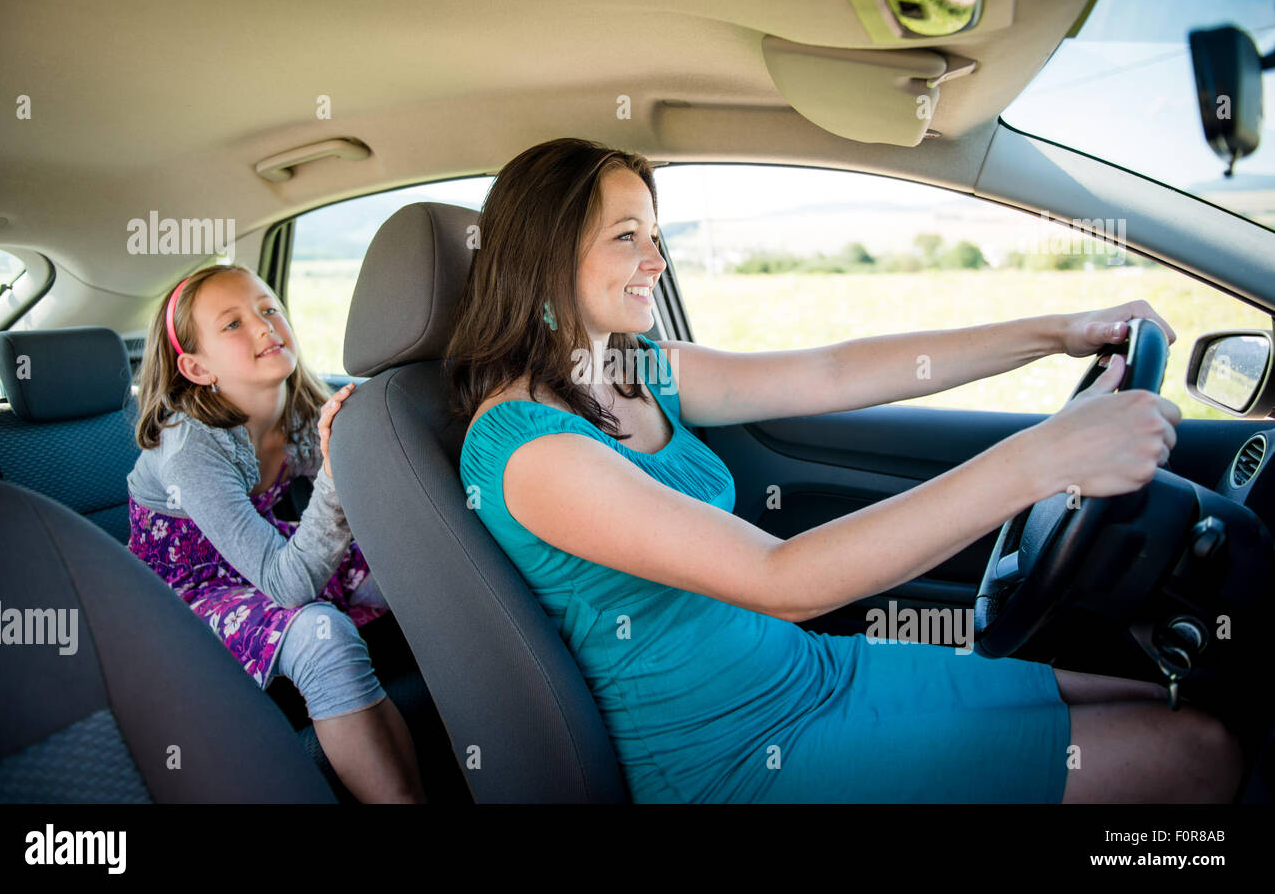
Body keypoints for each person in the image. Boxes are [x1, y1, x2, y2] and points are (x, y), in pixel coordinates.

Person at [446, 136, 1244, 803]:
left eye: (656, 233)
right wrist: (1043, 456)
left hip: (812, 673)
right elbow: (780, 578)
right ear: (549, 256)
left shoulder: (635, 368)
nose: (656, 258)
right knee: (1197, 755)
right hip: (731, 757)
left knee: (1166, 703)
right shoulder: (530, 450)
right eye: (627, 236)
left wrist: (1061, 330)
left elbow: (832, 372)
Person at [126, 264, 426, 803]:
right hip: (182, 596)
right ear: (195, 366)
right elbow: (287, 585)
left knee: (406, 571)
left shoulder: (302, 407)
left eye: (269, 309)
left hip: (264, 547)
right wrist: (336, 473)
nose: (265, 327)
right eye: (233, 324)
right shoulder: (192, 445)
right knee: (321, 635)